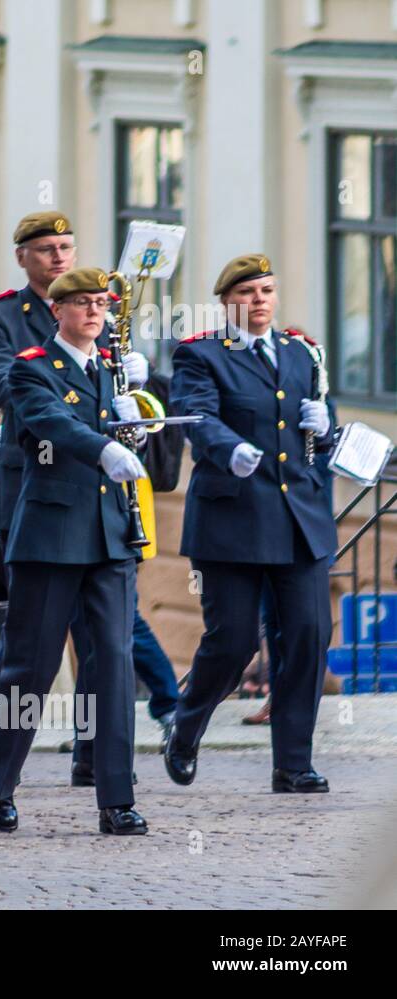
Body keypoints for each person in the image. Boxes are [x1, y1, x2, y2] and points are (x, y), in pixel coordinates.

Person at [0, 266, 148, 836]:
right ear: (58, 311)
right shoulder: (32, 370)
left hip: (108, 534)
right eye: (81, 304)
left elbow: (129, 435)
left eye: (101, 303)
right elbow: (50, 423)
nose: (93, 313)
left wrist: (139, 426)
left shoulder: (111, 369)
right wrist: (105, 447)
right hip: (51, 538)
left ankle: (115, 798)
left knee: (114, 665)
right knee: (30, 667)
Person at [164, 254, 336, 793]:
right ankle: (186, 725)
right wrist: (228, 447)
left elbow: (311, 434)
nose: (259, 300)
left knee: (308, 636)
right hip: (233, 520)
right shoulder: (202, 354)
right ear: (227, 302)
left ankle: (293, 763)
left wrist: (327, 428)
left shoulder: (300, 353)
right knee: (233, 643)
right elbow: (196, 416)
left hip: (298, 520)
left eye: (266, 290)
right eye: (248, 292)